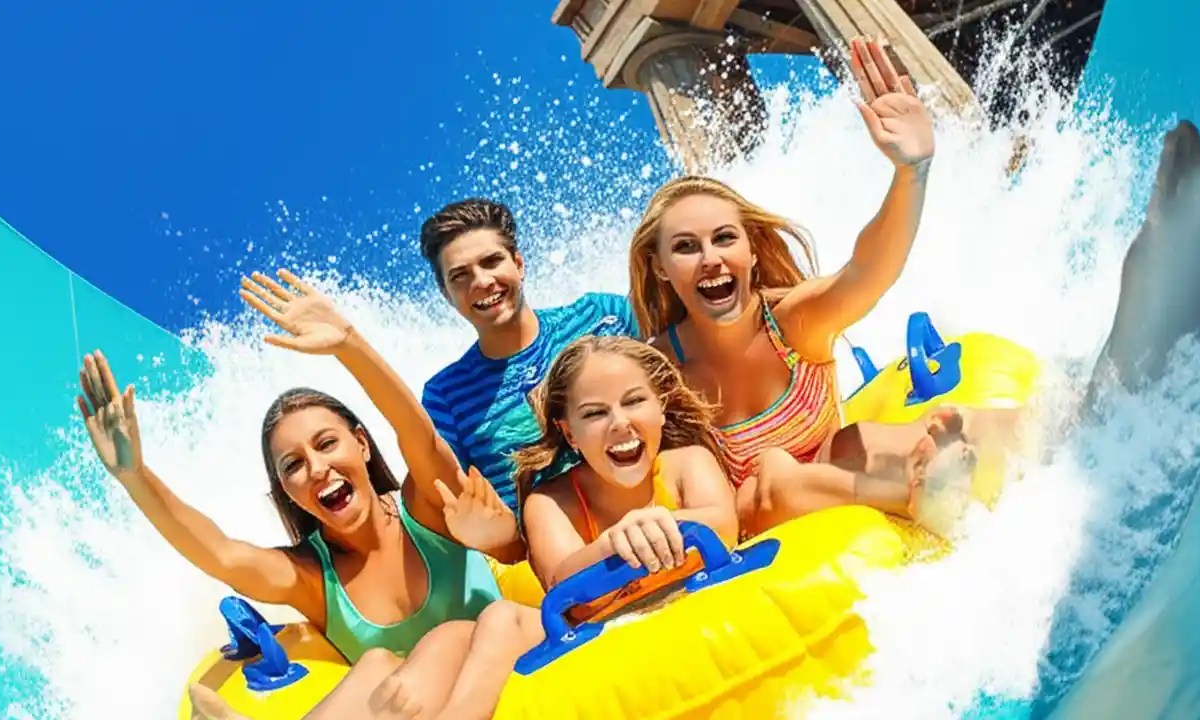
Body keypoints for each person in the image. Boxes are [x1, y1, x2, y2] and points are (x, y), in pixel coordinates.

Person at [78, 269, 511, 719]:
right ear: (285, 492)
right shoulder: (312, 577)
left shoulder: (427, 509)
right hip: (400, 706)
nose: (317, 469)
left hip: (505, 673)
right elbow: (221, 555)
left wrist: (349, 344)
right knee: (376, 664)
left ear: (362, 444)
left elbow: (419, 436)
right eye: (293, 465)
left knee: (448, 638)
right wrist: (134, 475)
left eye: (326, 444)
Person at [626, 37, 957, 537]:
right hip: (761, 526)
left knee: (862, 440)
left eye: (724, 238)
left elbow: (867, 273)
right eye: (687, 247)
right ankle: (908, 493)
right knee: (772, 474)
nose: (711, 258)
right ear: (660, 269)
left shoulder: (790, 323)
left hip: (839, 481)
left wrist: (912, 173)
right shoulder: (656, 371)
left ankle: (1062, 418)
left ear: (752, 251)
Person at [364, 335, 739, 719]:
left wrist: (660, 522)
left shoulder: (687, 464)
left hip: (696, 609)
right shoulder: (550, 502)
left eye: (634, 401)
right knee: (497, 620)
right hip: (600, 632)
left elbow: (724, 525)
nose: (619, 423)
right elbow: (561, 582)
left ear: (661, 407)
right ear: (569, 433)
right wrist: (615, 541)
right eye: (594, 414)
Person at [416, 198, 640, 521]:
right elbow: (455, 508)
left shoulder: (601, 316)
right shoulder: (445, 396)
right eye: (460, 276)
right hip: (550, 548)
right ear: (446, 294)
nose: (481, 282)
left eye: (491, 261)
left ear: (518, 264)